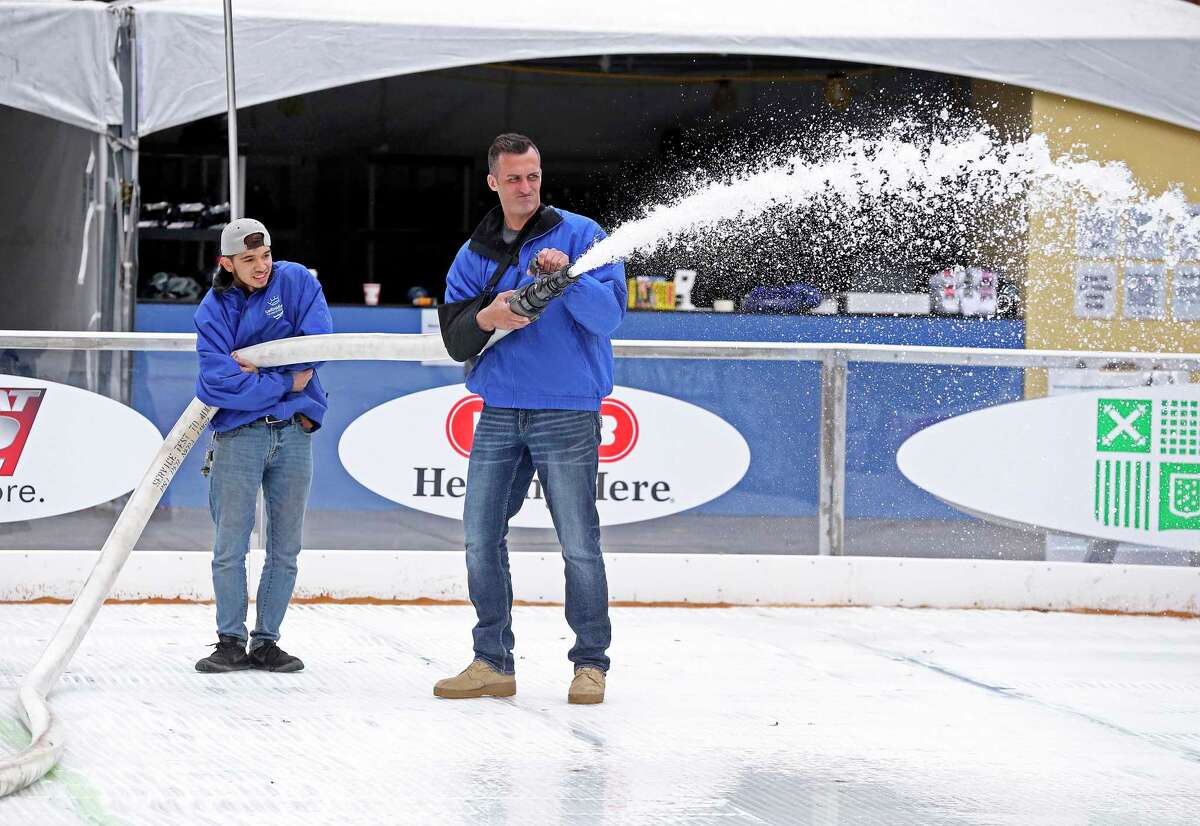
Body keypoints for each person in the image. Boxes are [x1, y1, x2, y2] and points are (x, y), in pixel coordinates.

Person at [434, 133, 626, 705]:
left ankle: (590, 663)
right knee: (479, 537)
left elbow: (608, 318)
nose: (526, 187)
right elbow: (455, 337)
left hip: (568, 410)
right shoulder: (475, 252)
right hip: (499, 409)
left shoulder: (583, 235)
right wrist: (489, 315)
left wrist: (569, 280)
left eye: (534, 176)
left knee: (578, 542)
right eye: (514, 178)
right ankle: (492, 661)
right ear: (493, 182)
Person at [192, 218, 332, 674]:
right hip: (239, 437)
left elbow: (316, 349)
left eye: (265, 255)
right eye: (248, 259)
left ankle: (267, 642)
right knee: (230, 546)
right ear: (226, 263)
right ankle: (230, 642)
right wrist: (287, 382)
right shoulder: (212, 310)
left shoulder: (296, 281)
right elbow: (217, 384)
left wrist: (259, 372)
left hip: (294, 434)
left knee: (286, 547)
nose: (261, 266)